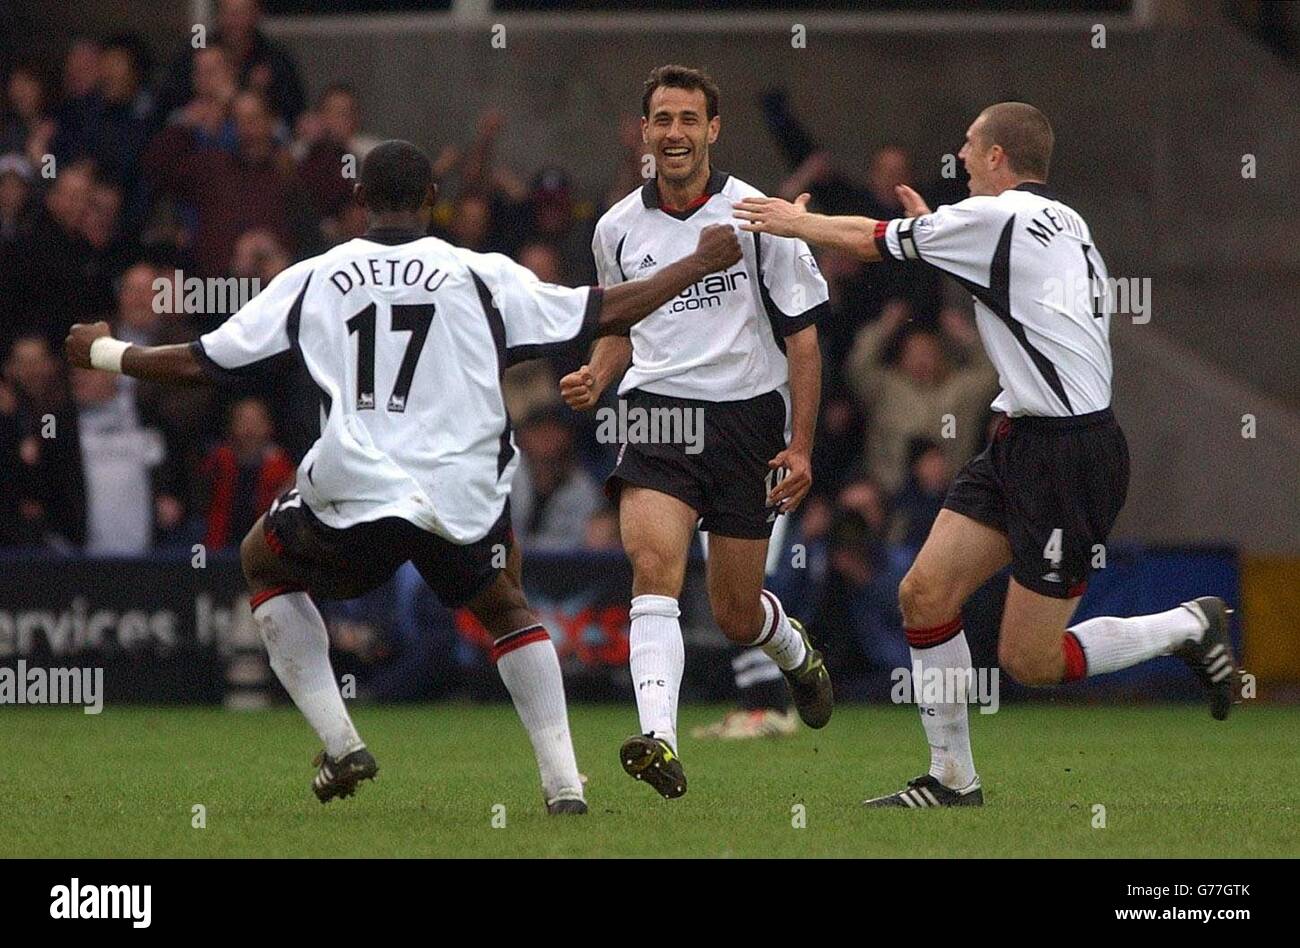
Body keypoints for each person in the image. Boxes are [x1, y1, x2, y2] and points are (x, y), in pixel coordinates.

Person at [67, 138, 741, 813]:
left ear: (359, 201)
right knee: (506, 609)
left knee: (263, 564)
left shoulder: (314, 275)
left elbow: (204, 361)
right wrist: (698, 262)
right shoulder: (482, 274)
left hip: (354, 485)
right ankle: (564, 786)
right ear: (431, 203)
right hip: (458, 490)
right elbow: (608, 310)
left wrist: (103, 349)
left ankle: (341, 744)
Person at [734, 101, 1241, 808]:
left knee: (1029, 660)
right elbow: (1014, 289)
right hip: (1020, 440)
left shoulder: (992, 219)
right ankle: (951, 780)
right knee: (924, 594)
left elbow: (868, 238)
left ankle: (1188, 625)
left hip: (1069, 454)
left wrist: (792, 223)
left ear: (1000, 156)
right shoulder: (1063, 220)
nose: (961, 158)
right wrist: (935, 232)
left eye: (970, 146)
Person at [560, 65, 832, 800]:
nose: (674, 133)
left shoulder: (758, 215)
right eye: (662, 119)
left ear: (713, 130)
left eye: (688, 120)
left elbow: (803, 338)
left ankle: (792, 647)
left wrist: (801, 445)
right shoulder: (616, 227)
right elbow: (625, 326)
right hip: (656, 413)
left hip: (746, 418)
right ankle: (660, 739)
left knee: (737, 615)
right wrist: (598, 372)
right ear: (644, 131)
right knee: (654, 567)